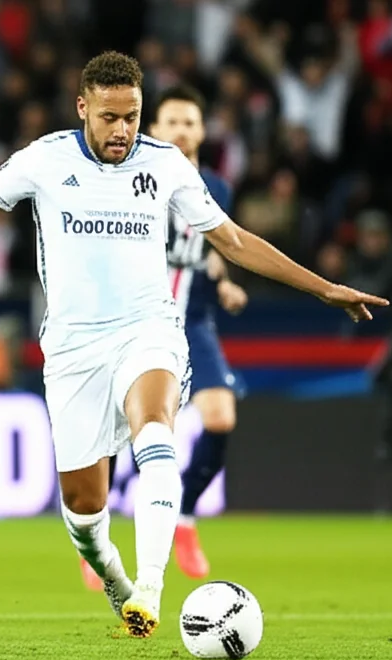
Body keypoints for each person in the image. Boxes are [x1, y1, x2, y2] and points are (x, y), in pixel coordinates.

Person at [0, 52, 386, 639]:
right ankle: (116, 581)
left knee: (155, 428)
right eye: (109, 116)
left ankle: (151, 590)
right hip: (75, 350)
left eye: (132, 115)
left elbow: (232, 240)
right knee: (83, 514)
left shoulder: (168, 165)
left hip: (147, 329)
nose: (122, 130)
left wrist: (323, 287)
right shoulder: (45, 160)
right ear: (84, 108)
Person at [78, 84, 250, 590]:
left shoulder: (216, 187)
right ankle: (98, 535)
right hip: (134, 318)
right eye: (172, 121)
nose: (182, 130)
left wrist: (224, 281)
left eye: (191, 122)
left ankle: (186, 517)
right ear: (154, 129)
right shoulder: (131, 177)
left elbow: (217, 243)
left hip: (193, 318)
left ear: (202, 131)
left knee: (220, 416)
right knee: (113, 427)